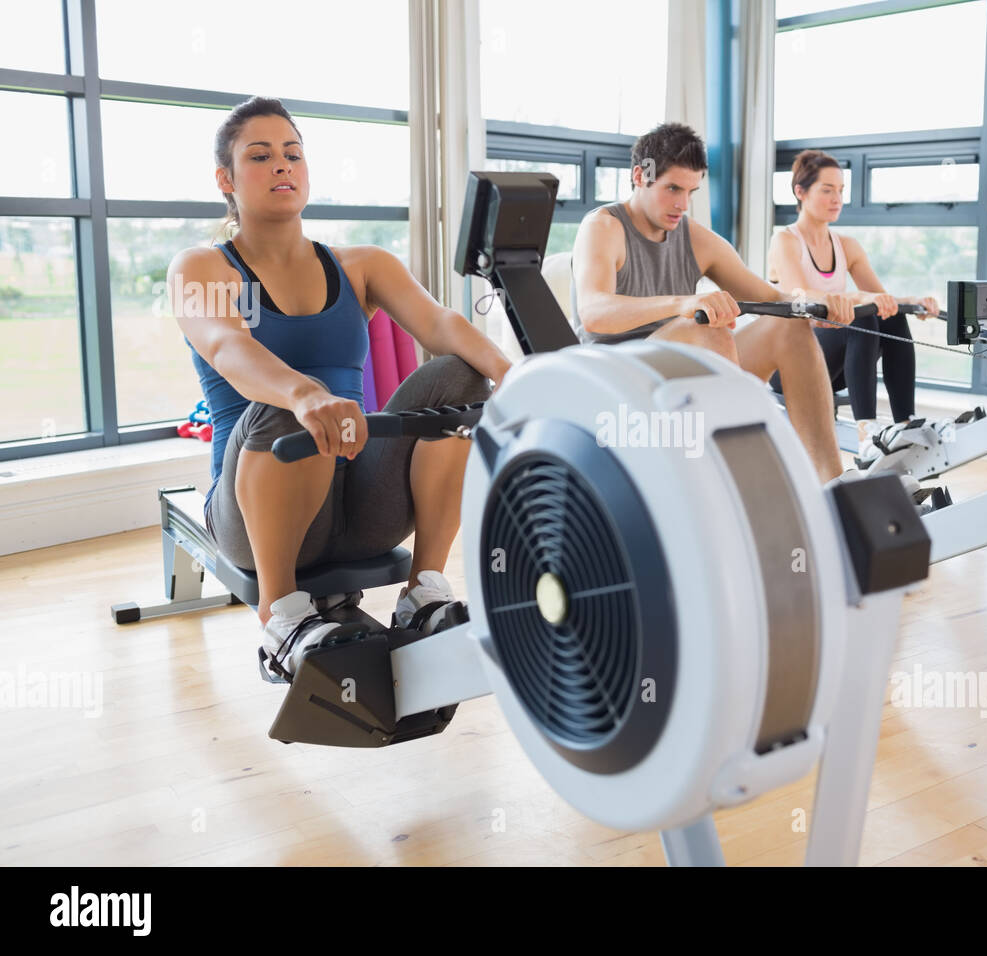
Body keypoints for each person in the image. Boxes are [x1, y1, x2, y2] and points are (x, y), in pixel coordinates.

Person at [168, 96, 512, 677]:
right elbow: (227, 346)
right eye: (261, 156)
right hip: (257, 514)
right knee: (280, 406)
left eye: (292, 154)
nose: (282, 166)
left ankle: (423, 593)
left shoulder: (361, 265)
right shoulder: (201, 268)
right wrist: (305, 395)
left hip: (363, 510)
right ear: (225, 179)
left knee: (460, 377)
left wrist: (520, 376)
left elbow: (441, 325)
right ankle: (280, 618)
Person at [570, 123, 856, 483]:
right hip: (619, 383)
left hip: (682, 374)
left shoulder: (694, 238)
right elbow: (594, 313)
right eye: (672, 188)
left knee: (789, 324)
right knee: (705, 326)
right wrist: (683, 303)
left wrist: (818, 303)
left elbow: (772, 297)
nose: (682, 204)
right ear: (641, 175)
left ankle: (832, 484)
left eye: (691, 191)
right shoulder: (604, 227)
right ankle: (746, 481)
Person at [767, 149, 940, 461]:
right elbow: (799, 294)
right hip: (789, 363)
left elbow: (878, 298)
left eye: (841, 191)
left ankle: (905, 423)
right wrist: (859, 299)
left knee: (891, 317)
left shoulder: (847, 246)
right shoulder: (786, 241)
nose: (837, 199)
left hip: (833, 364)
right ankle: (867, 435)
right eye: (827, 190)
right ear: (800, 192)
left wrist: (913, 301)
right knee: (861, 317)